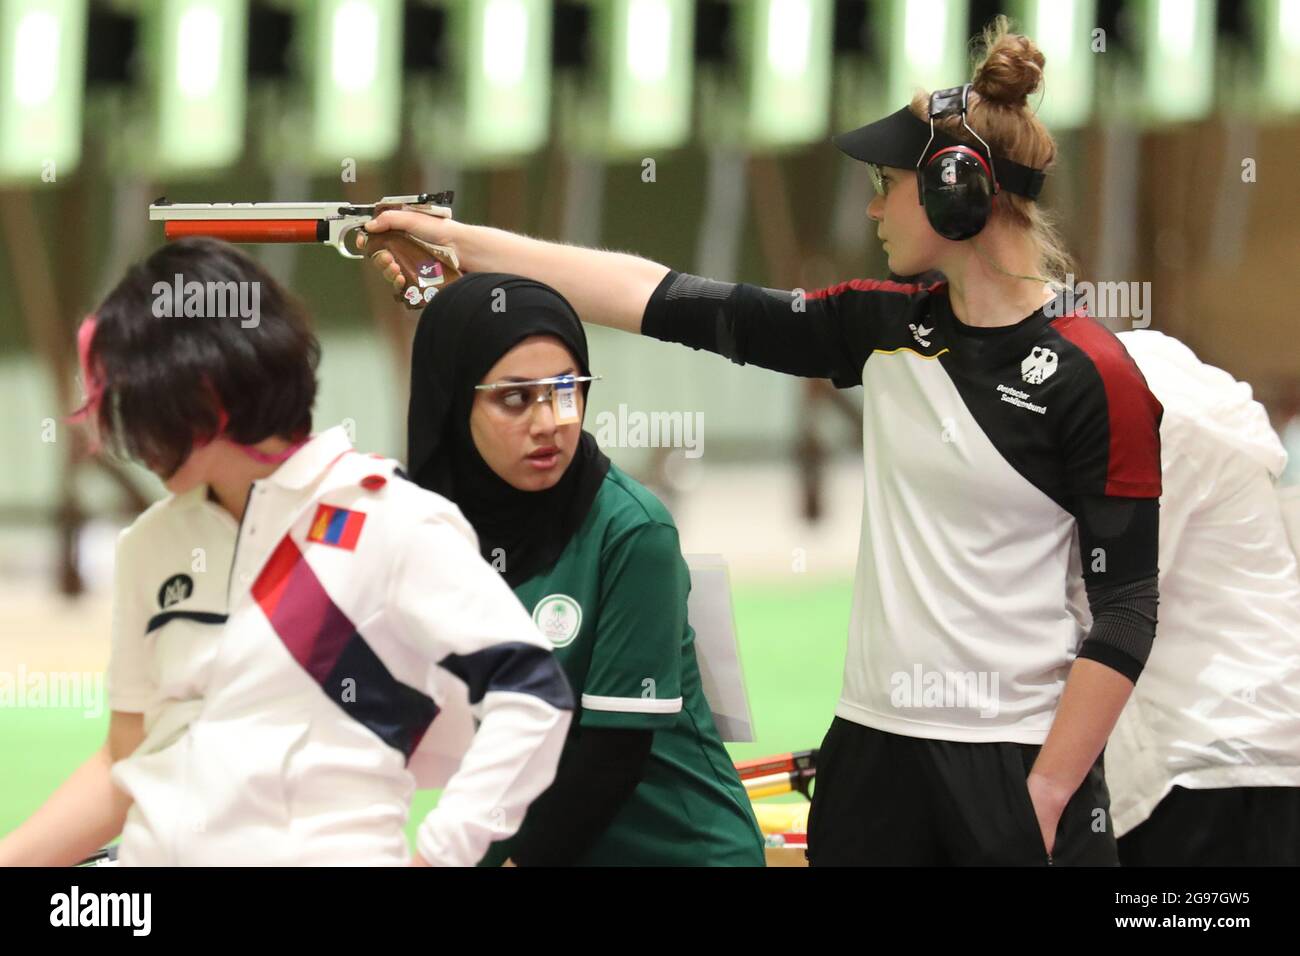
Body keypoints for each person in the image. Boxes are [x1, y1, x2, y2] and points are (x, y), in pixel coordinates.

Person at [364, 17, 1162, 865]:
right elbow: (659, 296)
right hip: (872, 752)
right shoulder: (881, 326)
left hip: (1015, 758)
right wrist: (464, 247)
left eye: (887, 182)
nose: (872, 204)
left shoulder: (1095, 375)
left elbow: (1128, 611)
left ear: (953, 191)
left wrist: (1045, 792)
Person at [0, 238, 573, 867]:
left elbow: (533, 691)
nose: (125, 435)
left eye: (135, 403)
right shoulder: (152, 543)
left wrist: (439, 855)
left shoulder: (391, 519)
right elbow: (123, 758)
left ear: (205, 391)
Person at [404, 272, 764, 866]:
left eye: (565, 390)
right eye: (515, 397)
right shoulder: (422, 532)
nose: (549, 422)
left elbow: (609, 761)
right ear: (452, 400)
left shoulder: (632, 530)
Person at [1106, 330, 1300, 866]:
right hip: (1226, 761)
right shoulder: (1154, 389)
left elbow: (1109, 606)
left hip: (1220, 765)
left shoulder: (1157, 410)